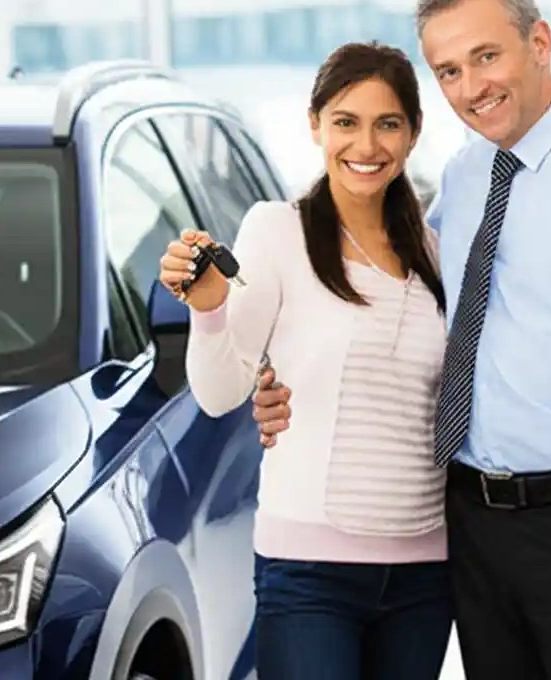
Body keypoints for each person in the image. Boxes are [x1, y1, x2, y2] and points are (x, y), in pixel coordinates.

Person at [250, 0, 551, 680]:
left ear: (539, 42)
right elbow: (402, 313)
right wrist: (280, 378)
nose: (471, 87)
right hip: (468, 531)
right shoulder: (464, 181)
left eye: (486, 57)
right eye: (448, 71)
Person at [157, 42, 452, 679]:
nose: (366, 145)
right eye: (346, 121)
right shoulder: (277, 230)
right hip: (311, 573)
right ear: (315, 123)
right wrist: (207, 311)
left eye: (388, 123)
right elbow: (219, 393)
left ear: (414, 133)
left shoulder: (435, 250)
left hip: (426, 574)